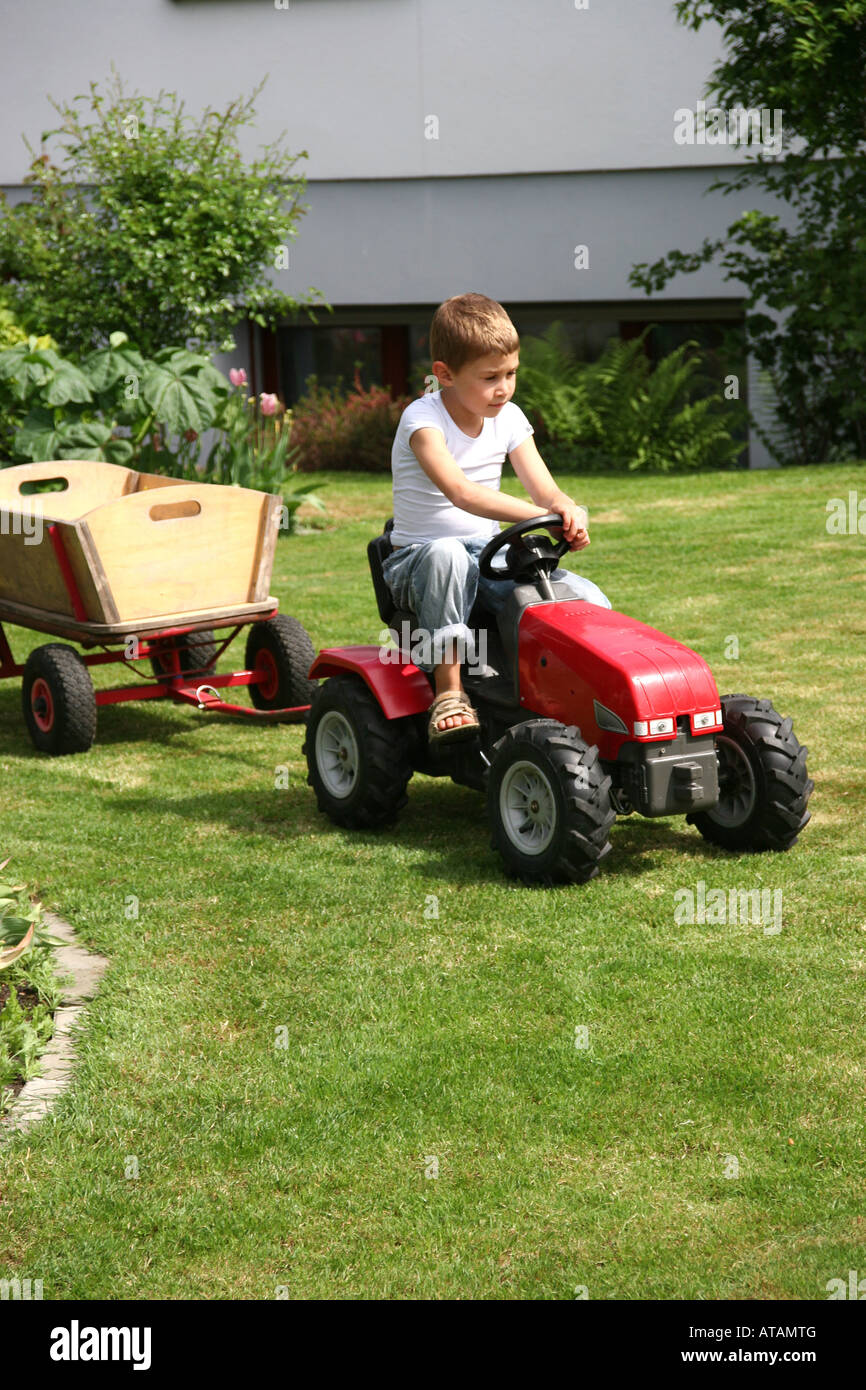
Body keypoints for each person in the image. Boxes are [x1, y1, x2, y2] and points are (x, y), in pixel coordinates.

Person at [383, 292, 610, 743]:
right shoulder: (422, 421)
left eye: (511, 373)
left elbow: (544, 489)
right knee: (447, 555)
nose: (504, 388)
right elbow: (462, 493)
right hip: (417, 560)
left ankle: (585, 694)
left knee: (582, 594)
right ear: (444, 374)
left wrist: (564, 508)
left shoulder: (508, 418)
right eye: (490, 378)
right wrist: (542, 515)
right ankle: (449, 693)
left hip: (488, 556)